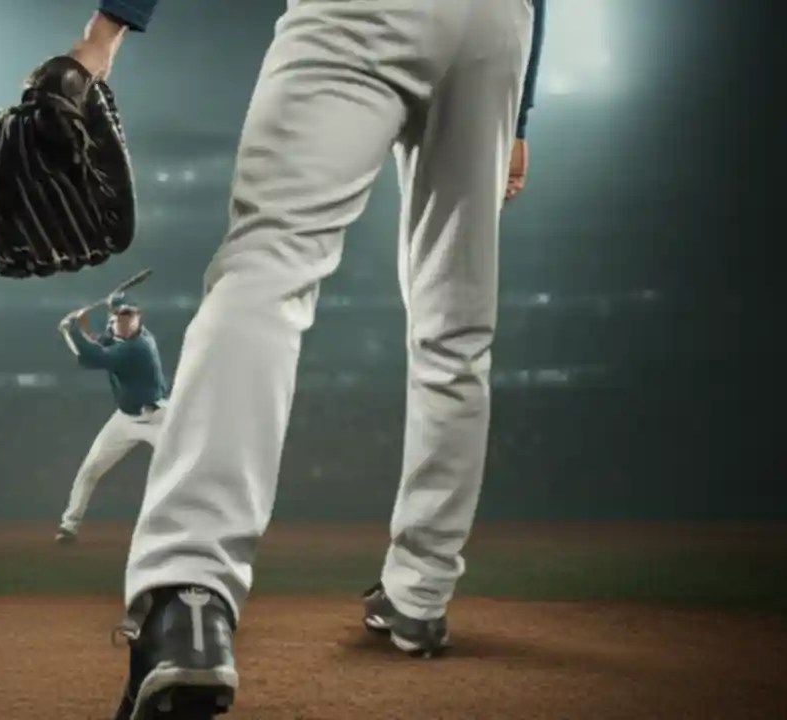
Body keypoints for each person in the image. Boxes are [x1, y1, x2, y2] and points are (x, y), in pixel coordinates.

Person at [66, 1, 548, 717]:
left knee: (267, 269)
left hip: (365, 13)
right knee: (457, 328)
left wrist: (103, 32)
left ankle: (189, 596)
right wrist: (523, 108)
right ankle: (419, 595)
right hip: (496, 25)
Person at [55, 293, 169, 544]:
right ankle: (69, 526)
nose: (125, 320)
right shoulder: (118, 335)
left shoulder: (138, 347)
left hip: (158, 419)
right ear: (113, 320)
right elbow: (98, 341)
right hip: (125, 418)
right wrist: (84, 324)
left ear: (139, 319)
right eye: (120, 316)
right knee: (90, 469)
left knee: (180, 473)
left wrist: (70, 330)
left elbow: (89, 357)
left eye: (130, 315)